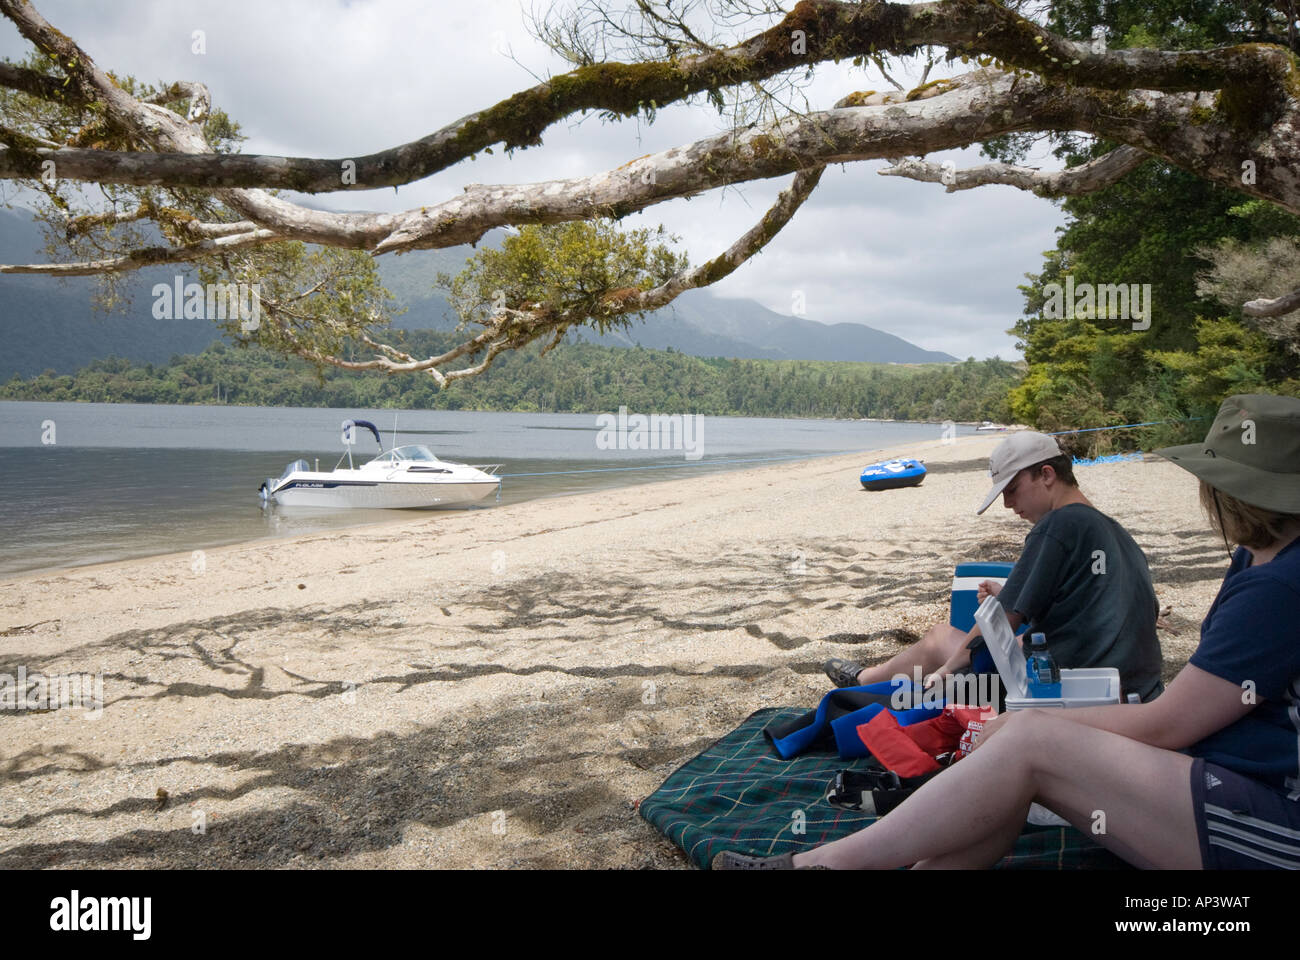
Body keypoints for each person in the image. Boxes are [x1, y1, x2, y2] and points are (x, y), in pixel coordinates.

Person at [716, 393, 1300, 869]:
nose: (1009, 506)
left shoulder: (1273, 583)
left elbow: (1168, 723)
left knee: (997, 707)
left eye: (1014, 490)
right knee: (1013, 749)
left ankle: (828, 862)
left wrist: (1016, 714)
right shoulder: (1253, 555)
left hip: (1267, 812)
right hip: (1205, 747)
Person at [824, 431, 1164, 703]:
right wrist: (1014, 596)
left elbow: (998, 622)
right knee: (1010, 642)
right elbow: (1106, 606)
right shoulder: (1117, 534)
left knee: (942, 638)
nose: (1007, 503)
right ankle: (866, 679)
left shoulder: (1059, 525)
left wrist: (948, 668)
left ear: (1046, 474)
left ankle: (862, 682)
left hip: (1066, 692)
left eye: (1013, 489)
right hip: (1137, 691)